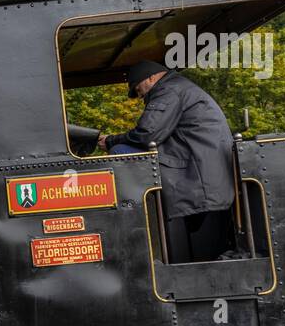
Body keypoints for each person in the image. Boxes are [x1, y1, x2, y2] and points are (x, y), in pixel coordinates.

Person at [98, 60, 236, 262]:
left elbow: (147, 134)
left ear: (151, 78)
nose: (140, 96)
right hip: (202, 171)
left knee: (121, 151)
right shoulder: (179, 88)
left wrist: (111, 141)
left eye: (139, 89)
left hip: (196, 173)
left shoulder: (168, 91)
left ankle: (135, 215)